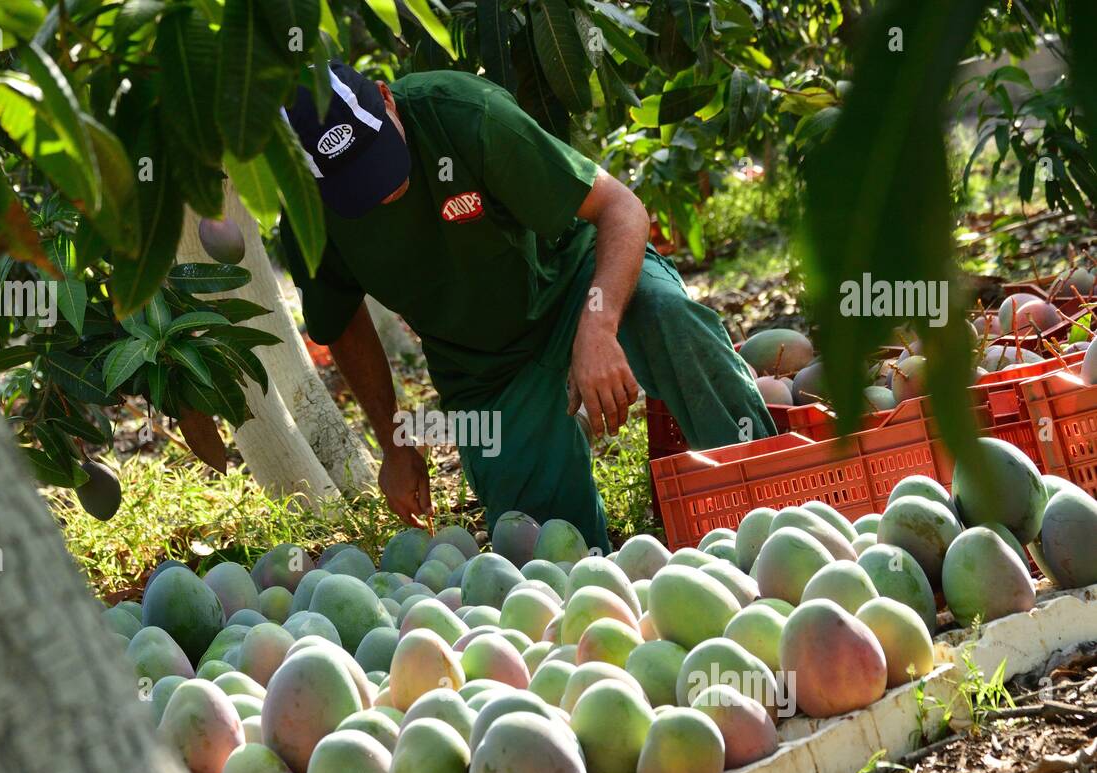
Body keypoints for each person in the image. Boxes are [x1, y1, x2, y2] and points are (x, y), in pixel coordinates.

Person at [280, 62, 773, 554]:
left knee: (672, 319)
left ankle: (770, 505)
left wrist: (598, 326)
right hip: (488, 366)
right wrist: (394, 444)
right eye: (357, 184)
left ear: (387, 99)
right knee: (548, 549)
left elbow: (620, 208)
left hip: (577, 277)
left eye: (382, 157)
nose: (383, 188)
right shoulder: (308, 216)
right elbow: (341, 322)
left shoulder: (464, 113)